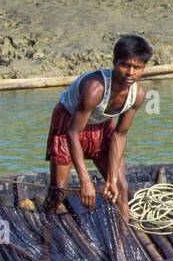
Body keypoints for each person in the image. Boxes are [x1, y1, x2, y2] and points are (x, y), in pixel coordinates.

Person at [43, 35, 152, 221]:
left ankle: (123, 243)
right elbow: (72, 132)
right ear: (114, 62)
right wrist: (85, 181)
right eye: (125, 65)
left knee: (122, 188)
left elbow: (120, 134)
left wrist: (112, 179)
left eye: (137, 68)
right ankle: (46, 233)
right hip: (69, 123)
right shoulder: (95, 88)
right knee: (59, 191)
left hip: (101, 125)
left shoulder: (138, 94)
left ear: (144, 68)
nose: (130, 73)